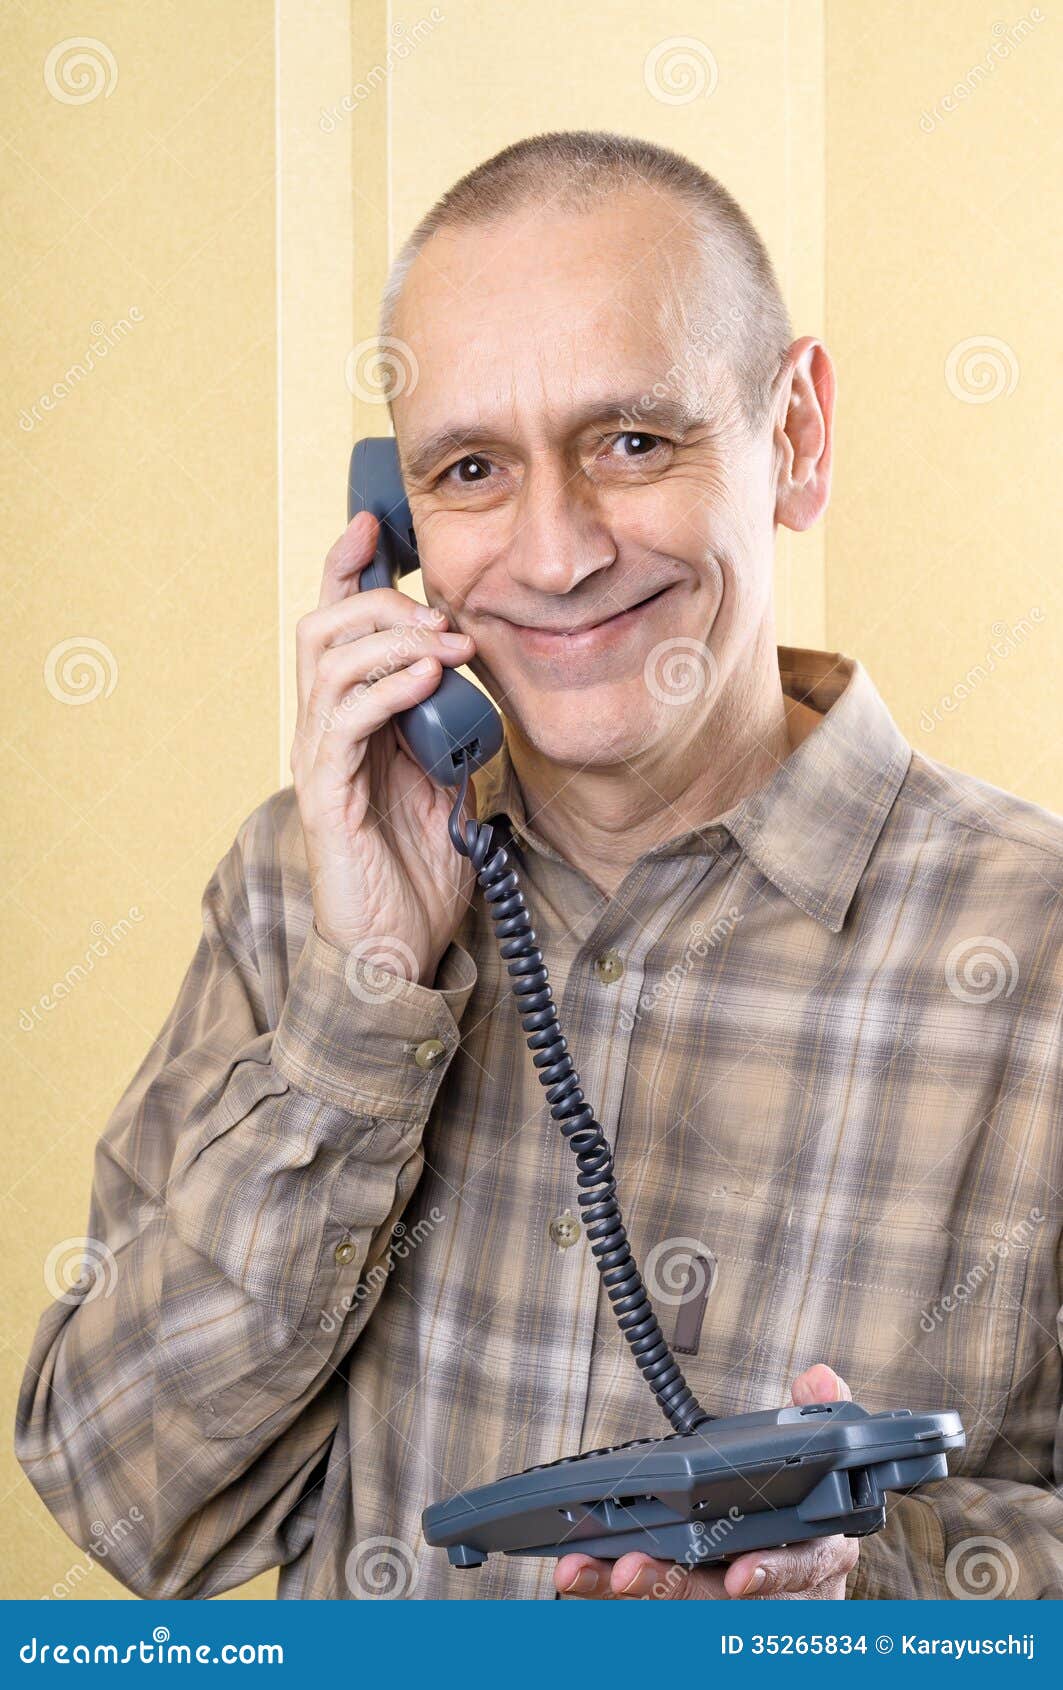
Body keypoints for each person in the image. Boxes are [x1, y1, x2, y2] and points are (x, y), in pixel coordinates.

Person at [17, 131, 1063, 1601]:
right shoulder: (299, 888)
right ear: (396, 528)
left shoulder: (1040, 943)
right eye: (471, 470)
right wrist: (363, 1003)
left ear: (797, 436)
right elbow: (120, 1493)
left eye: (631, 441)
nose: (557, 555)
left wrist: (864, 1578)